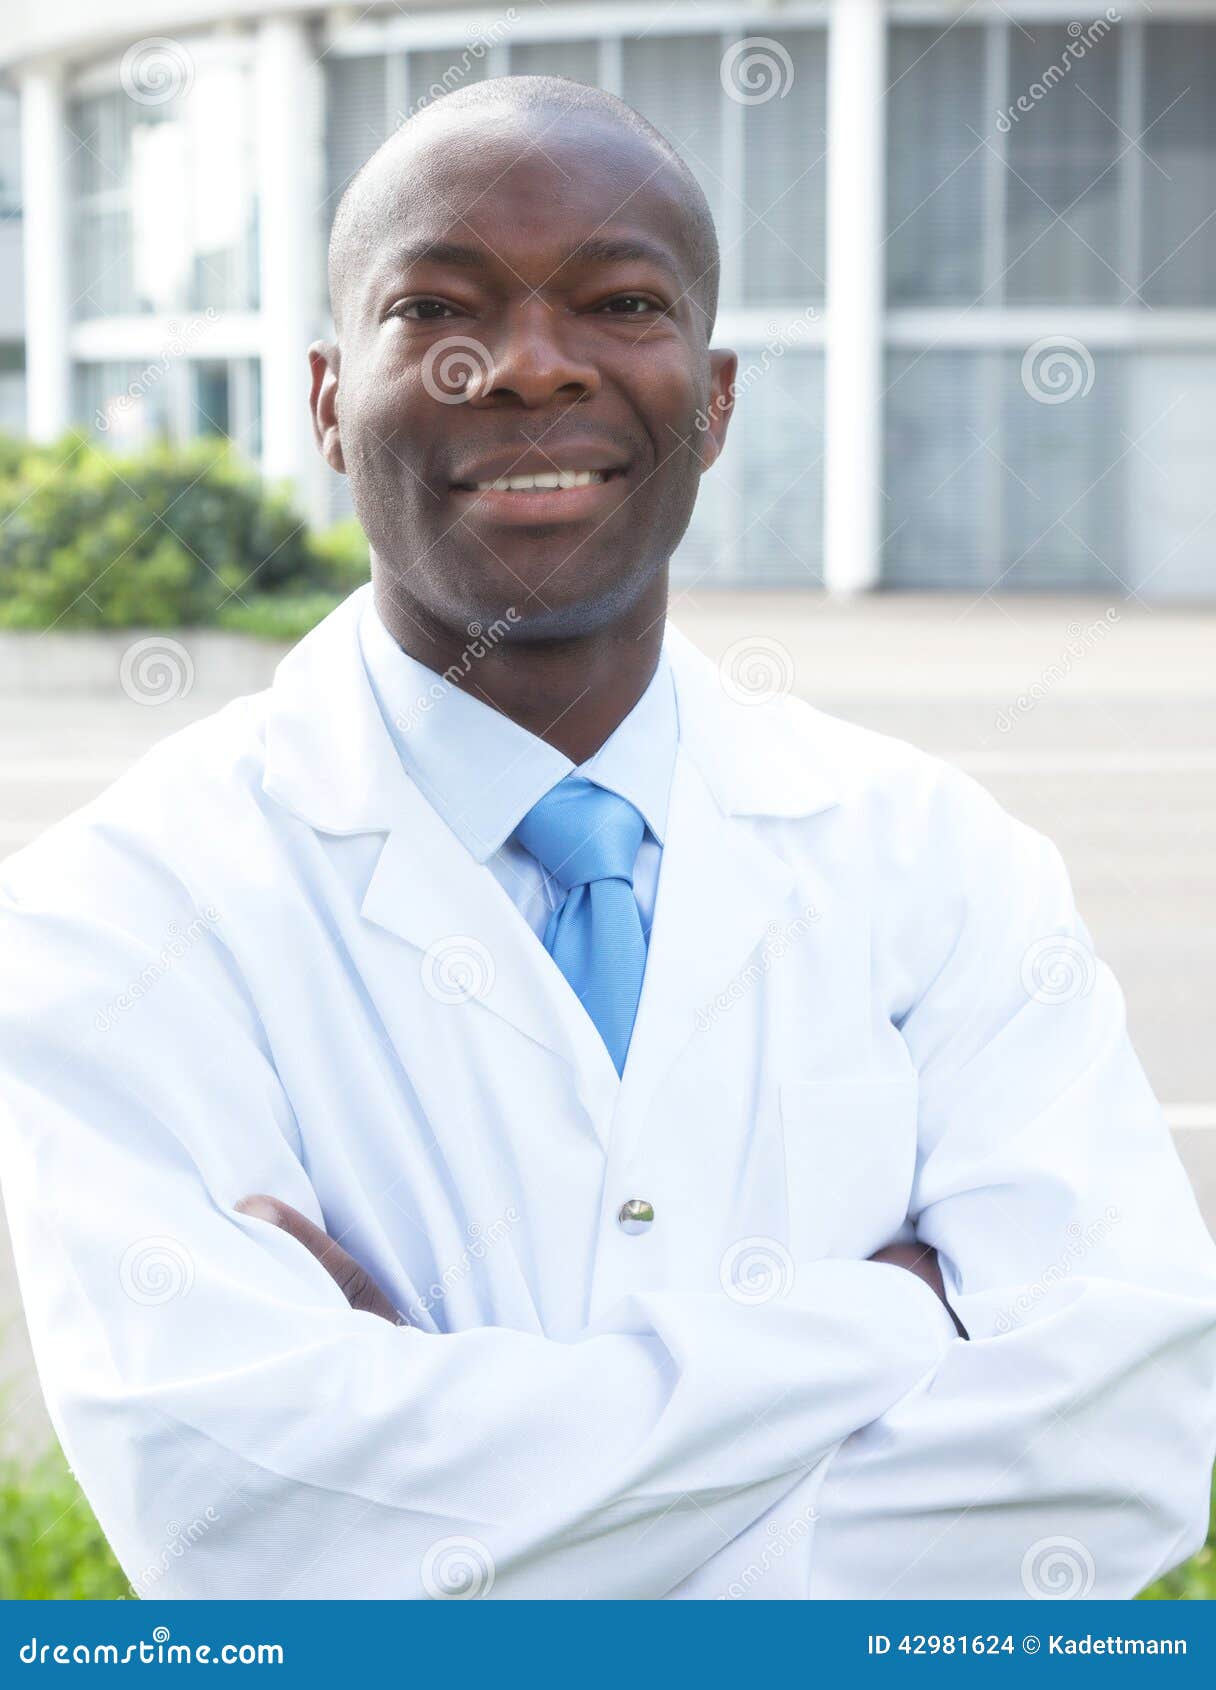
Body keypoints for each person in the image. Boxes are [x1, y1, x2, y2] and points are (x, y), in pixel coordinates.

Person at [1, 76, 1214, 1602]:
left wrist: (449, 1497)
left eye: (621, 301)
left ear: (716, 399)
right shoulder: (111, 913)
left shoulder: (947, 863)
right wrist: (898, 1318)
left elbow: (1119, 1442)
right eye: (437, 306)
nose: (528, 364)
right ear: (325, 400)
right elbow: (246, 1524)